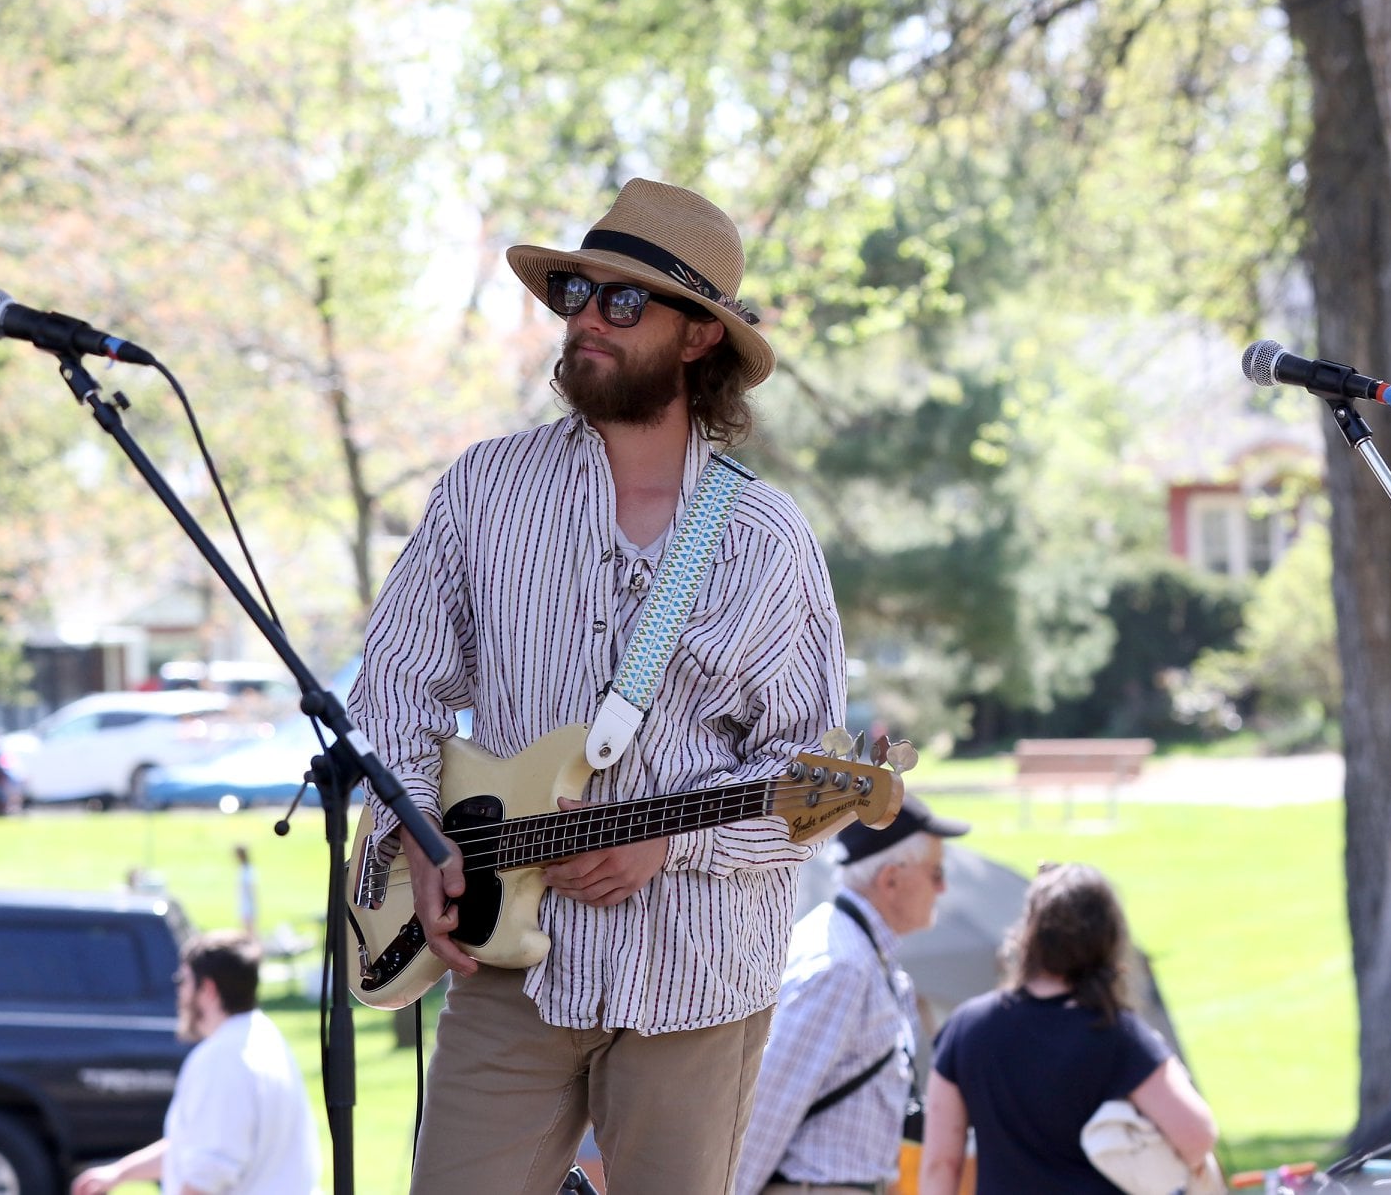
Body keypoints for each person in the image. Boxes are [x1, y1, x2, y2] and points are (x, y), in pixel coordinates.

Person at [349, 177, 848, 1194]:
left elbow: (808, 776)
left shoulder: (766, 540)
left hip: (696, 971)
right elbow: (395, 679)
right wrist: (417, 831)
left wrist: (672, 839)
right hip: (509, 967)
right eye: (577, 290)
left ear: (701, 337)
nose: (586, 316)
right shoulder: (486, 490)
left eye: (624, 301)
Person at [918, 863, 1219, 1195]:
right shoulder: (1115, 1033)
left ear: (1029, 934)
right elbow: (1196, 1135)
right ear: (1107, 941)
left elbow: (940, 1165)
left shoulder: (967, 1027)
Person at [736, 797, 971, 1195]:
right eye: (935, 872)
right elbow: (766, 1112)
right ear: (891, 879)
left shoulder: (855, 953)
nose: (943, 887)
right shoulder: (843, 968)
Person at [70, 930, 318, 1195]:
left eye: (183, 981)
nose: (179, 994)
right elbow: (192, 1144)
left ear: (208, 989)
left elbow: (208, 1173)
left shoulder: (222, 1060)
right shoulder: (265, 1038)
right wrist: (119, 1173)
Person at [232, 843, 256, 939]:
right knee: (245, 929)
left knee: (249, 931)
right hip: (243, 903)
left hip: (247, 903)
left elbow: (251, 889)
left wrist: (251, 906)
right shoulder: (242, 869)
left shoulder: (248, 870)